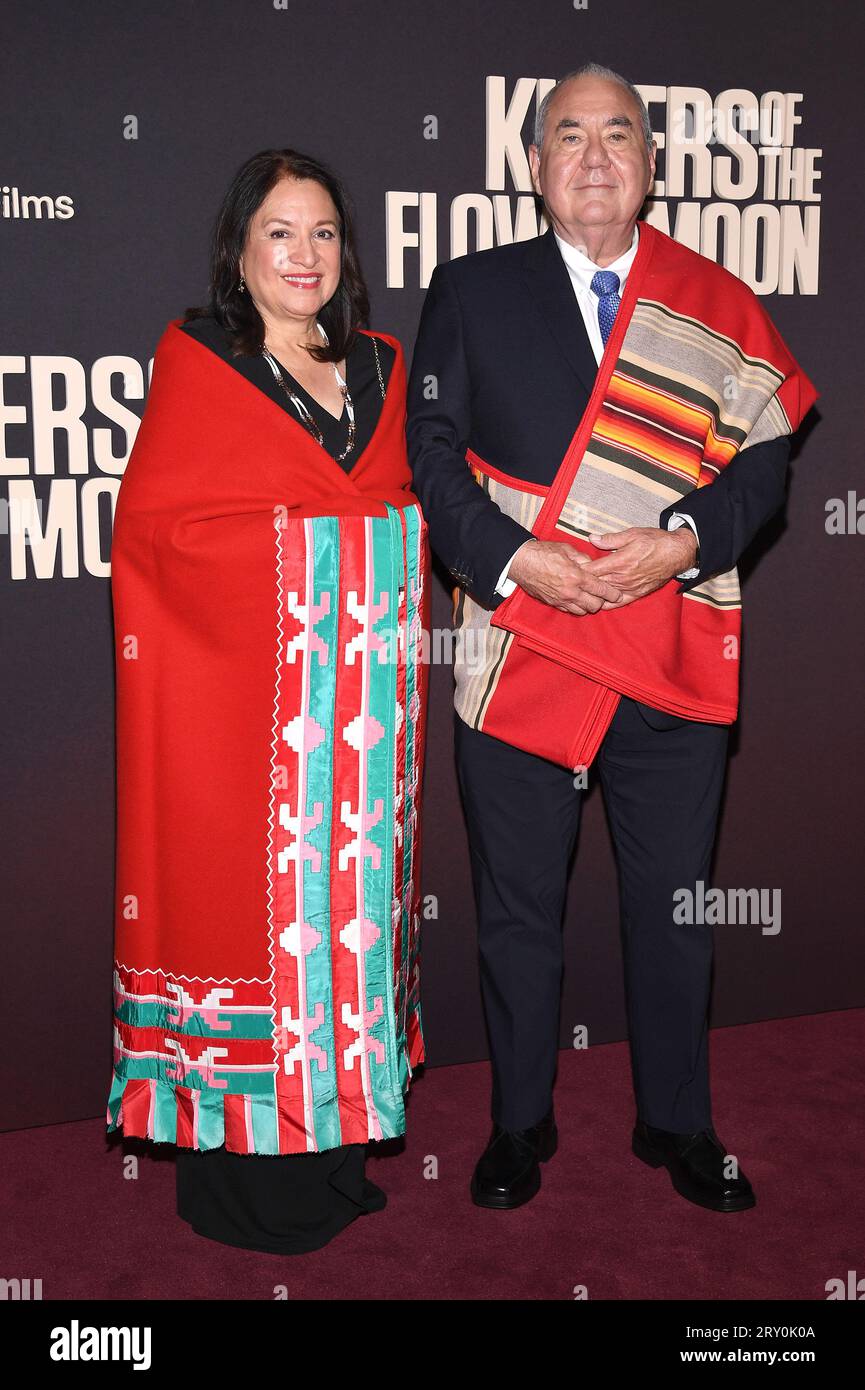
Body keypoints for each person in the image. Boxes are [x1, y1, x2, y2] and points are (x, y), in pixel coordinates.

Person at [407, 65, 817, 1213]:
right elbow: (431, 450)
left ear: (650, 163)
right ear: (534, 166)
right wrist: (512, 558)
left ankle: (678, 1121)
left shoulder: (715, 304)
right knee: (516, 905)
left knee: (675, 901)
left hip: (669, 638)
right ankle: (517, 1123)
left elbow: (767, 458)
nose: (594, 155)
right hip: (521, 632)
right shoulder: (472, 289)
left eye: (618, 134)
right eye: (567, 136)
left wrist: (685, 539)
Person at [106, 149, 430, 1254]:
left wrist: (380, 543)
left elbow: (398, 505)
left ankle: (338, 1151)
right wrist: (344, 547)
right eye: (280, 234)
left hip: (362, 731)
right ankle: (244, 1181)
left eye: (325, 232)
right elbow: (158, 535)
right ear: (240, 257)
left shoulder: (383, 366)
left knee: (348, 928)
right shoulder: (201, 360)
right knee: (244, 923)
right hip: (237, 718)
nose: (305, 256)